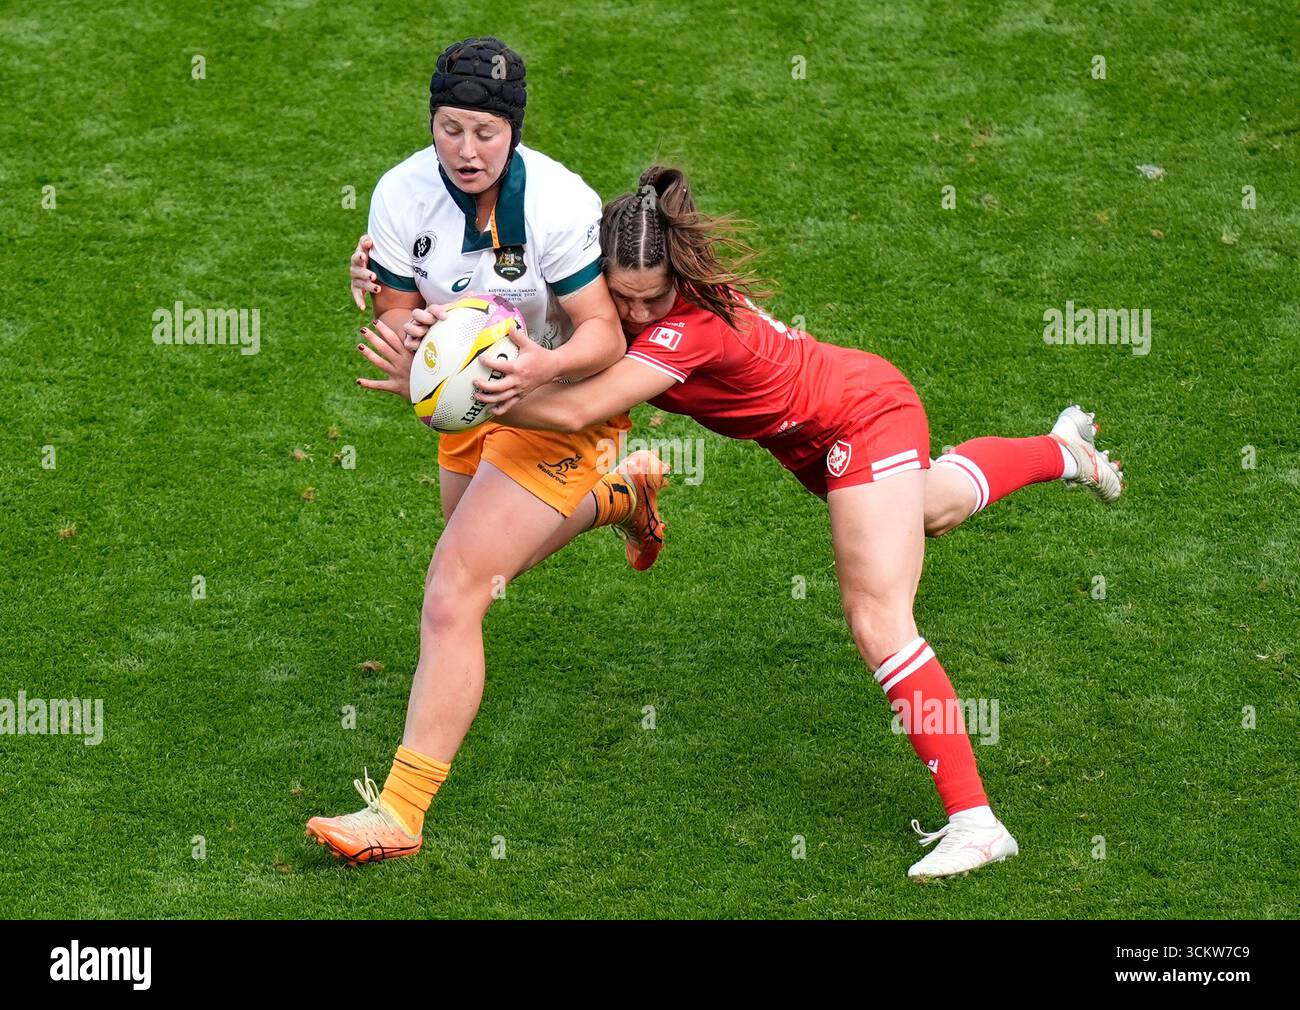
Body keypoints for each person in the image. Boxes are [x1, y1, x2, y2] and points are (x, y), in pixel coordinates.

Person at [475, 165, 1124, 879]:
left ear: (676, 276)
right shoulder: (635, 299)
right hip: (812, 433)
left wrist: (470, 396)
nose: (634, 316)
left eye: (650, 297)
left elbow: (574, 408)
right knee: (934, 508)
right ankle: (1063, 451)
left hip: (861, 417)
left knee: (879, 618)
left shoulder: (687, 334)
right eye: (620, 299)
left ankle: (977, 820)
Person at [306, 38, 669, 867]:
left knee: (453, 590)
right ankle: (620, 499)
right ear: (431, 123)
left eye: (485, 133)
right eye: (449, 129)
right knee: (480, 569)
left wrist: (537, 365)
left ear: (513, 131)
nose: (466, 152)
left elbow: (604, 332)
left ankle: (399, 812)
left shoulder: (556, 201)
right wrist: (412, 345)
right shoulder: (400, 195)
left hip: (562, 403)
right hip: (468, 403)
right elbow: (400, 317)